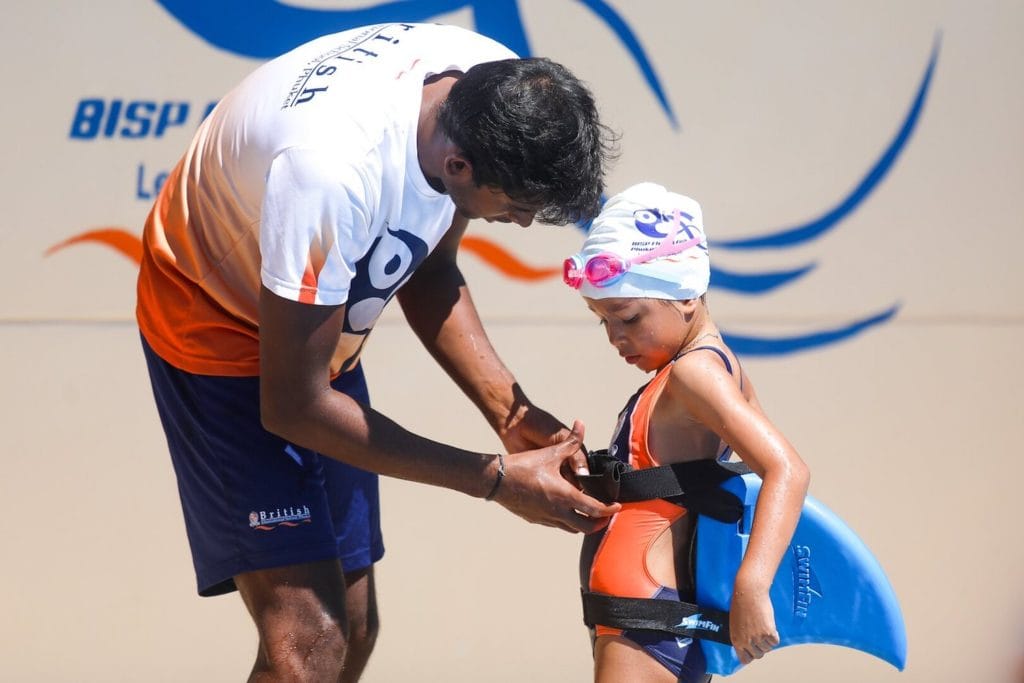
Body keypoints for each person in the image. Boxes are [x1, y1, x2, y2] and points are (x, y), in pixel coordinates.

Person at [136, 22, 619, 681]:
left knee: (355, 629)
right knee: (310, 644)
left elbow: (426, 265)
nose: (525, 223)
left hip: (309, 333)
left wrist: (512, 415)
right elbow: (295, 405)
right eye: (519, 206)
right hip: (213, 323)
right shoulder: (330, 172)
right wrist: (496, 478)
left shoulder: (490, 83)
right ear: (460, 165)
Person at [564, 183, 811, 682]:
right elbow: (699, 479)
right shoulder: (715, 368)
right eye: (602, 322)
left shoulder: (693, 373)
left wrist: (752, 584)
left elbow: (786, 470)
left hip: (647, 612)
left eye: (629, 317)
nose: (615, 337)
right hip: (656, 613)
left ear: (687, 294)